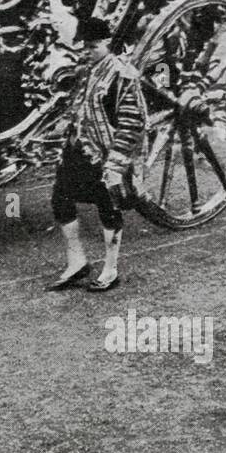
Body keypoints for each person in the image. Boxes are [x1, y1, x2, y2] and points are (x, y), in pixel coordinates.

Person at [48, 15, 147, 292]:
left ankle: (110, 268)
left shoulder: (123, 75)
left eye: (92, 46)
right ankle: (77, 261)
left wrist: (116, 163)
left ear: (107, 42)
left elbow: (131, 123)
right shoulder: (86, 71)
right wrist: (65, 122)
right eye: (84, 47)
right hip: (79, 149)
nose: (87, 52)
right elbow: (77, 104)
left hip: (106, 155)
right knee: (60, 200)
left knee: (108, 209)